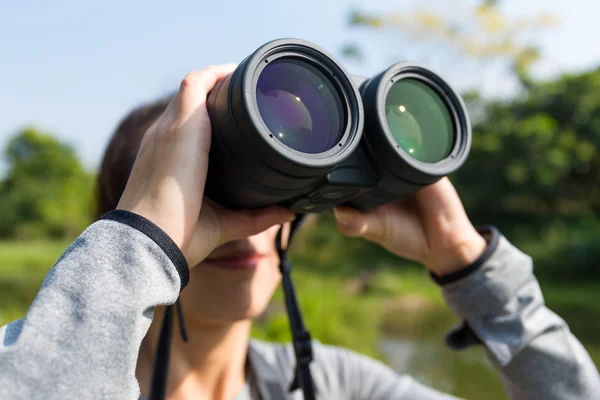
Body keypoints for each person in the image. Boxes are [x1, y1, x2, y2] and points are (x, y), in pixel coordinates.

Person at [0, 64, 598, 400]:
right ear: (129, 216)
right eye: (201, 190)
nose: (246, 233)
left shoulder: (337, 387)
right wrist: (139, 245)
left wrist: (472, 266)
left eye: (265, 187)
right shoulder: (43, 360)